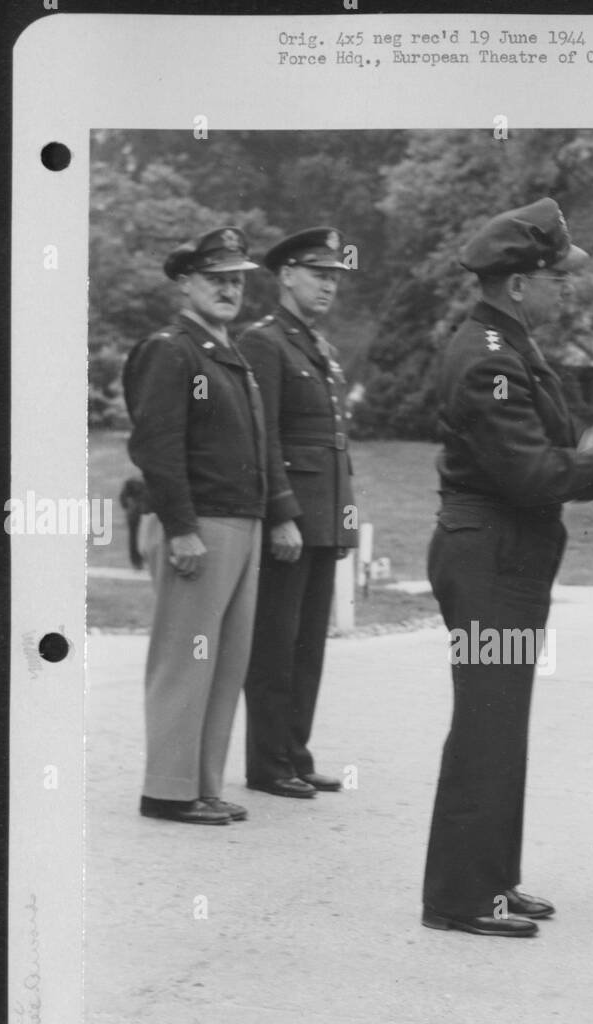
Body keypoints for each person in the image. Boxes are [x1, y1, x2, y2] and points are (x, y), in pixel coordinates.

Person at [422, 197, 593, 939]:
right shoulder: (489, 356)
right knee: (486, 721)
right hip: (488, 555)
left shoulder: (508, 344)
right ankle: (461, 896)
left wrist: (578, 446)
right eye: (556, 275)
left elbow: (536, 439)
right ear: (518, 282)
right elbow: (526, 473)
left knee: (502, 718)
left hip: (505, 557)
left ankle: (493, 877)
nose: (565, 287)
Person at [124, 226, 300, 826]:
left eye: (236, 280)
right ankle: (166, 789)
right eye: (215, 279)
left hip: (240, 524)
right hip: (199, 525)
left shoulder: (229, 354)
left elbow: (261, 440)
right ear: (184, 282)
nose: (229, 290)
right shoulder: (170, 349)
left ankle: (200, 785)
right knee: (186, 657)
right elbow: (157, 445)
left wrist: (279, 515)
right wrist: (180, 527)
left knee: (224, 661)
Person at [238, 227, 358, 798]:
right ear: (286, 276)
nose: (329, 286)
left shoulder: (319, 347)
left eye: (334, 277)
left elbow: (334, 443)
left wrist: (342, 519)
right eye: (319, 274)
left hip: (324, 518)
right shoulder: (265, 342)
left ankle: (296, 753)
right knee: (275, 644)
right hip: (289, 521)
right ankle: (268, 763)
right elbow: (264, 437)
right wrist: (281, 513)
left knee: (309, 645)